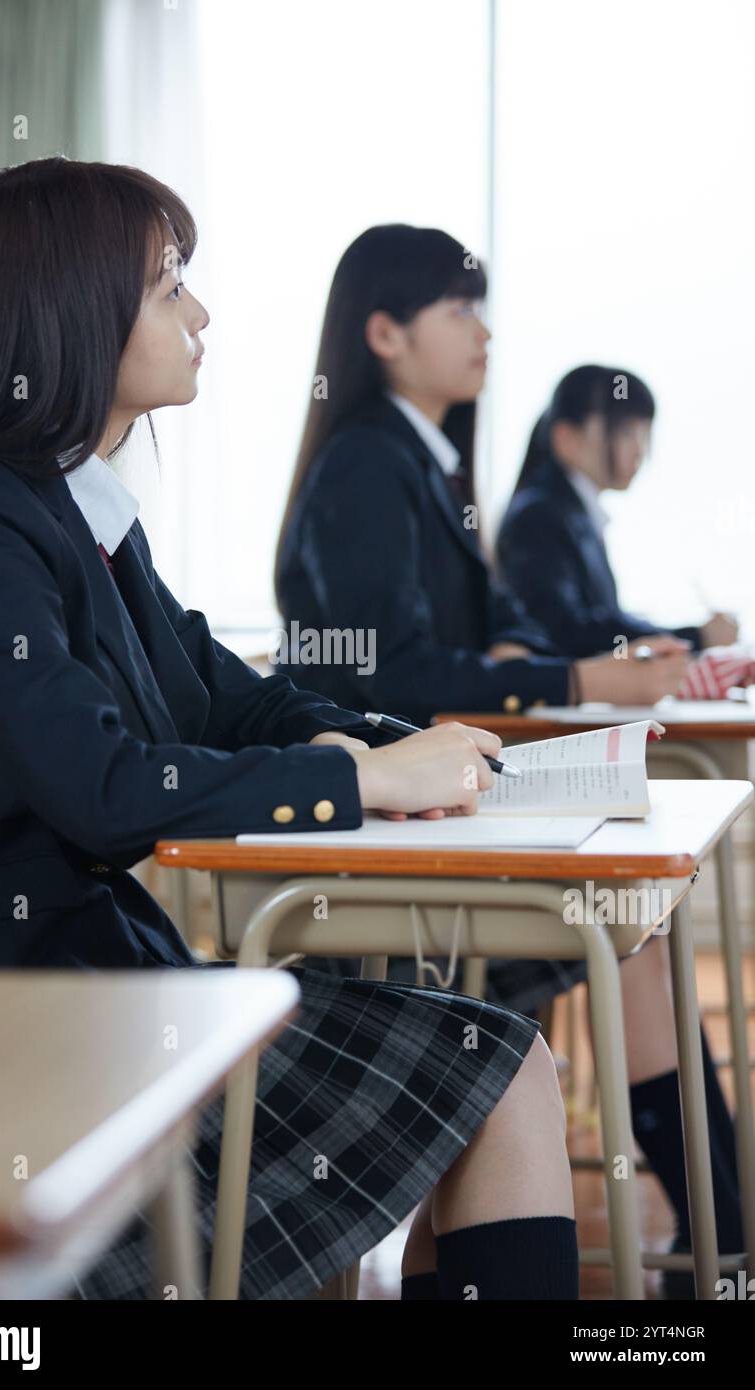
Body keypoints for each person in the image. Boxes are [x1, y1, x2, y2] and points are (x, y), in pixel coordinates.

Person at [0, 159, 578, 1302]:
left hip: (111, 992)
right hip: (14, 1033)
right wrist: (356, 780)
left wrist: (391, 744)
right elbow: (105, 787)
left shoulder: (76, 514)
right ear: (71, 310)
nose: (198, 315)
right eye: (168, 286)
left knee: (496, 1063)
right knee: (495, 1066)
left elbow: (231, 692)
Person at [273, 225, 744, 1295]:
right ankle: (723, 1246)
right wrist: (570, 681)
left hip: (429, 811)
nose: (483, 332)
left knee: (630, 928)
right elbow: (391, 675)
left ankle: (721, 1240)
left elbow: (468, 646)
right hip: (377, 837)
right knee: (620, 942)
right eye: (458, 309)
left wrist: (544, 667)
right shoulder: (367, 463)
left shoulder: (426, 467)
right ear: (384, 331)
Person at [496, 363, 738, 657]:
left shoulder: (570, 512)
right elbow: (563, 631)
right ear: (567, 439)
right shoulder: (539, 515)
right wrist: (692, 637)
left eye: (644, 433)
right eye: (625, 432)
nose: (640, 449)